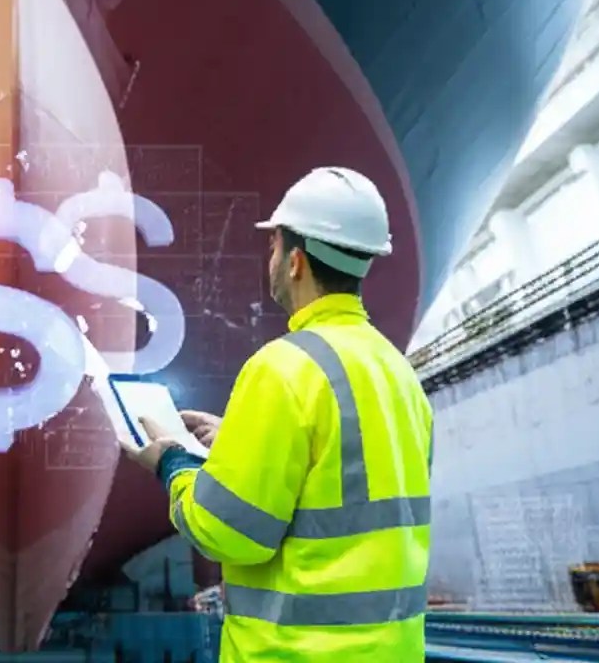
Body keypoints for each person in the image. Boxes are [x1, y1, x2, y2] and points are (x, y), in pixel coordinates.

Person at [122, 166, 433, 661]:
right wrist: (239, 439)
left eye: (273, 247)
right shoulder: (397, 373)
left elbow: (226, 531)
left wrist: (173, 462)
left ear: (295, 262)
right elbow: (344, 479)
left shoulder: (283, 369)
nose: (269, 259)